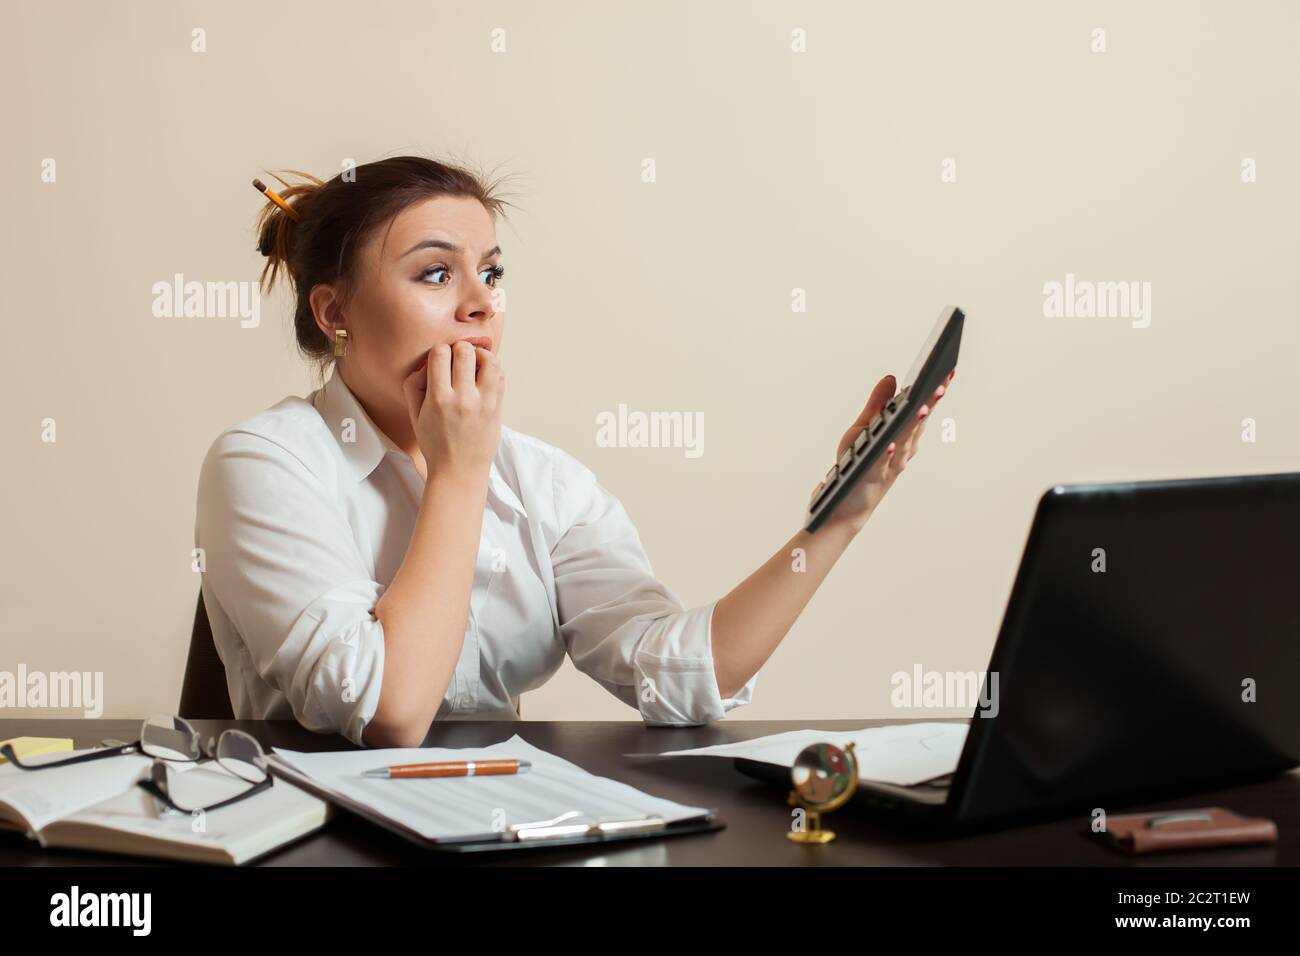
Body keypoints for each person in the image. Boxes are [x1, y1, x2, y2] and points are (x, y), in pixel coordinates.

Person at [194, 155, 952, 749]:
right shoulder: (263, 464)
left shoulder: (545, 482)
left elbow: (681, 676)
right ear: (334, 313)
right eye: (435, 273)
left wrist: (840, 521)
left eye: (491, 272)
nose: (482, 302)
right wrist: (458, 472)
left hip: (488, 823)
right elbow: (390, 713)